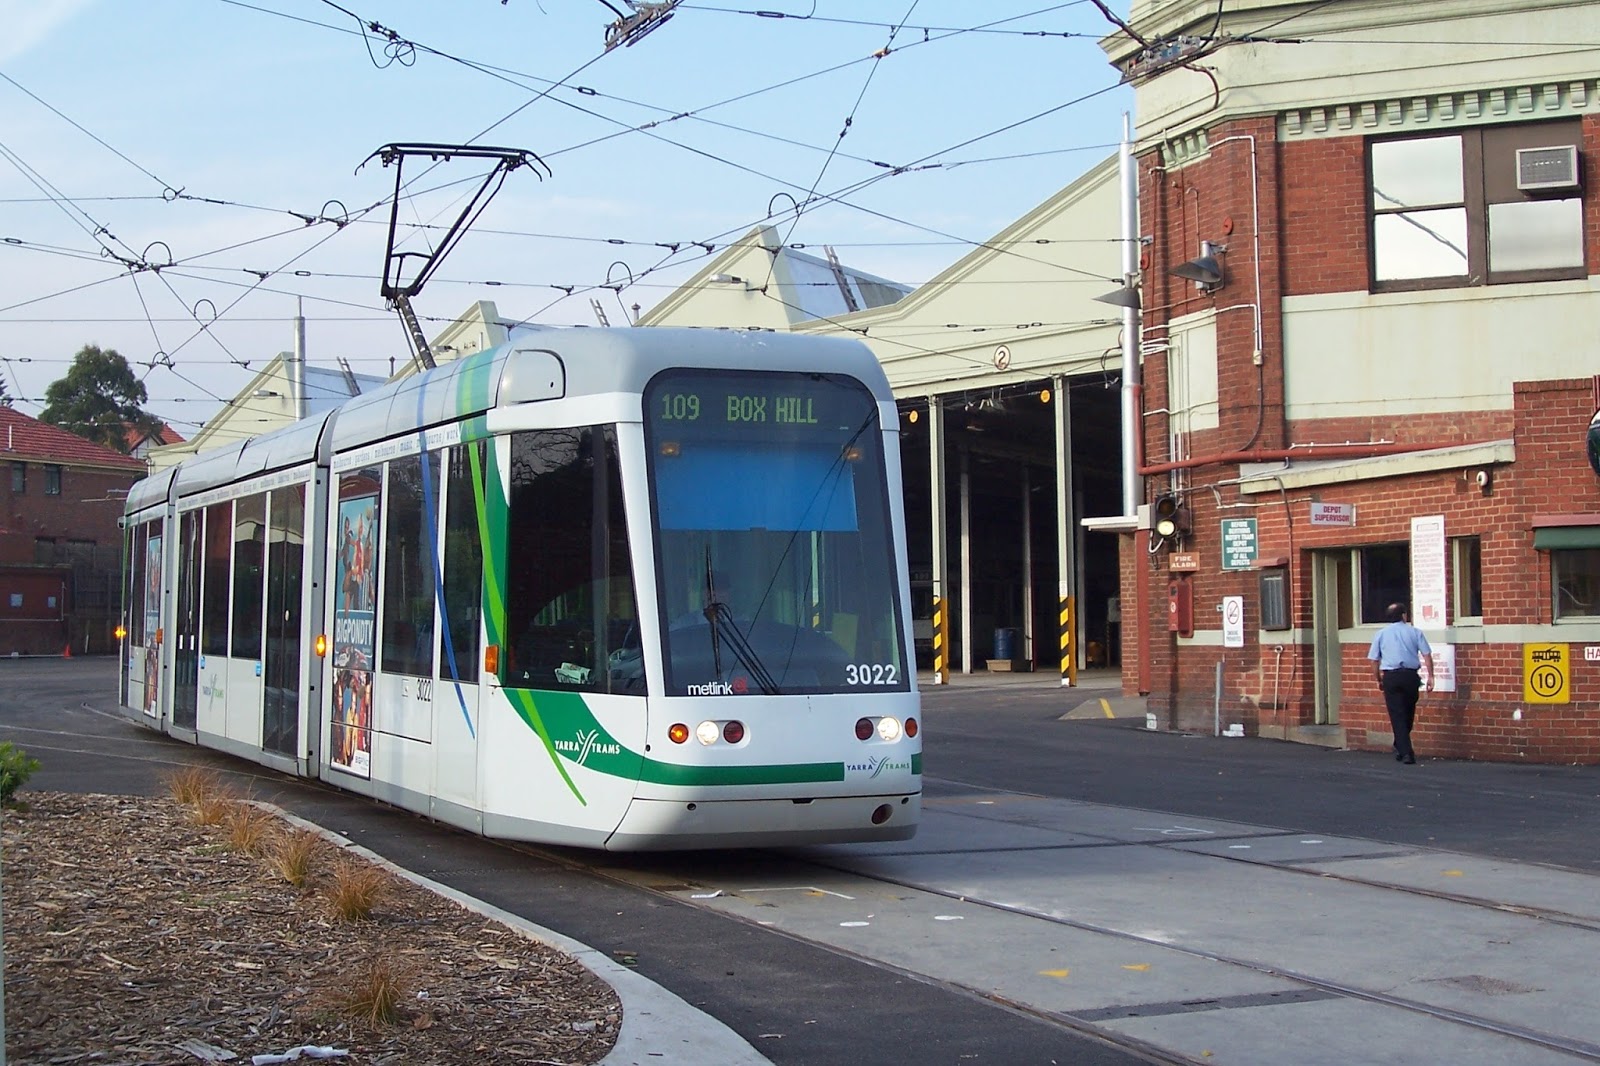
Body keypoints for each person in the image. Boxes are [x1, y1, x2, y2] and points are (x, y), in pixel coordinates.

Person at [1368, 601, 1432, 764]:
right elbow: (1426, 655)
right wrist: (1431, 676)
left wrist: (1378, 679)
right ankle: (1406, 751)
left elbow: (1374, 660)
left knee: (1397, 714)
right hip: (1410, 676)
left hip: (1391, 676)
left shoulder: (1381, 634)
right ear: (1404, 615)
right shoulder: (1415, 632)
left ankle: (1401, 746)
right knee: (1408, 712)